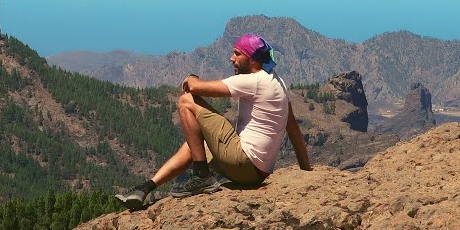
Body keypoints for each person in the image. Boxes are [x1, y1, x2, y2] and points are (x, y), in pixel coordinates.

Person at [115, 34, 313, 210]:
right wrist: (306, 170)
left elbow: (196, 88)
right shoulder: (277, 81)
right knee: (195, 145)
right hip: (256, 173)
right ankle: (146, 187)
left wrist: (191, 77)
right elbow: (293, 127)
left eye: (237, 54)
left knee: (186, 101)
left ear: (252, 59)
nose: (231, 58)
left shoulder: (254, 81)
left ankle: (201, 176)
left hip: (243, 162)